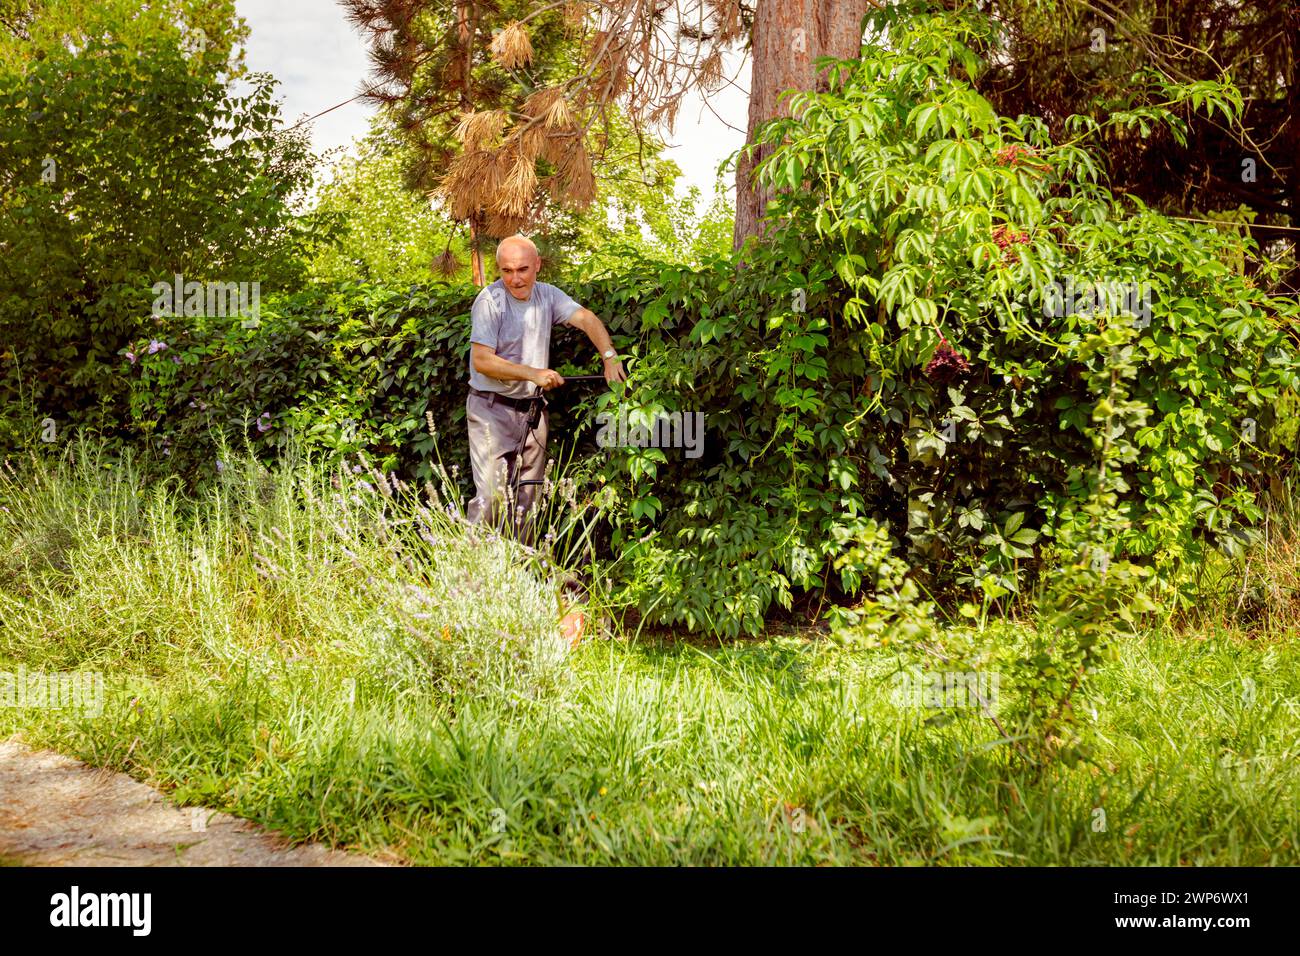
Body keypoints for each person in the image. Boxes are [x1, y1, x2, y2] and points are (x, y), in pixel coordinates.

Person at [465, 234, 626, 539]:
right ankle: (473, 579)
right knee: (491, 499)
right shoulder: (490, 301)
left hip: (532, 413)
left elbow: (587, 319)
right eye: (507, 271)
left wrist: (610, 357)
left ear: (537, 265)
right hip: (490, 411)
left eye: (523, 269)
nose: (515, 279)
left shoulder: (548, 295)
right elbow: (482, 361)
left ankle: (522, 576)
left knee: (527, 500)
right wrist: (533, 373)